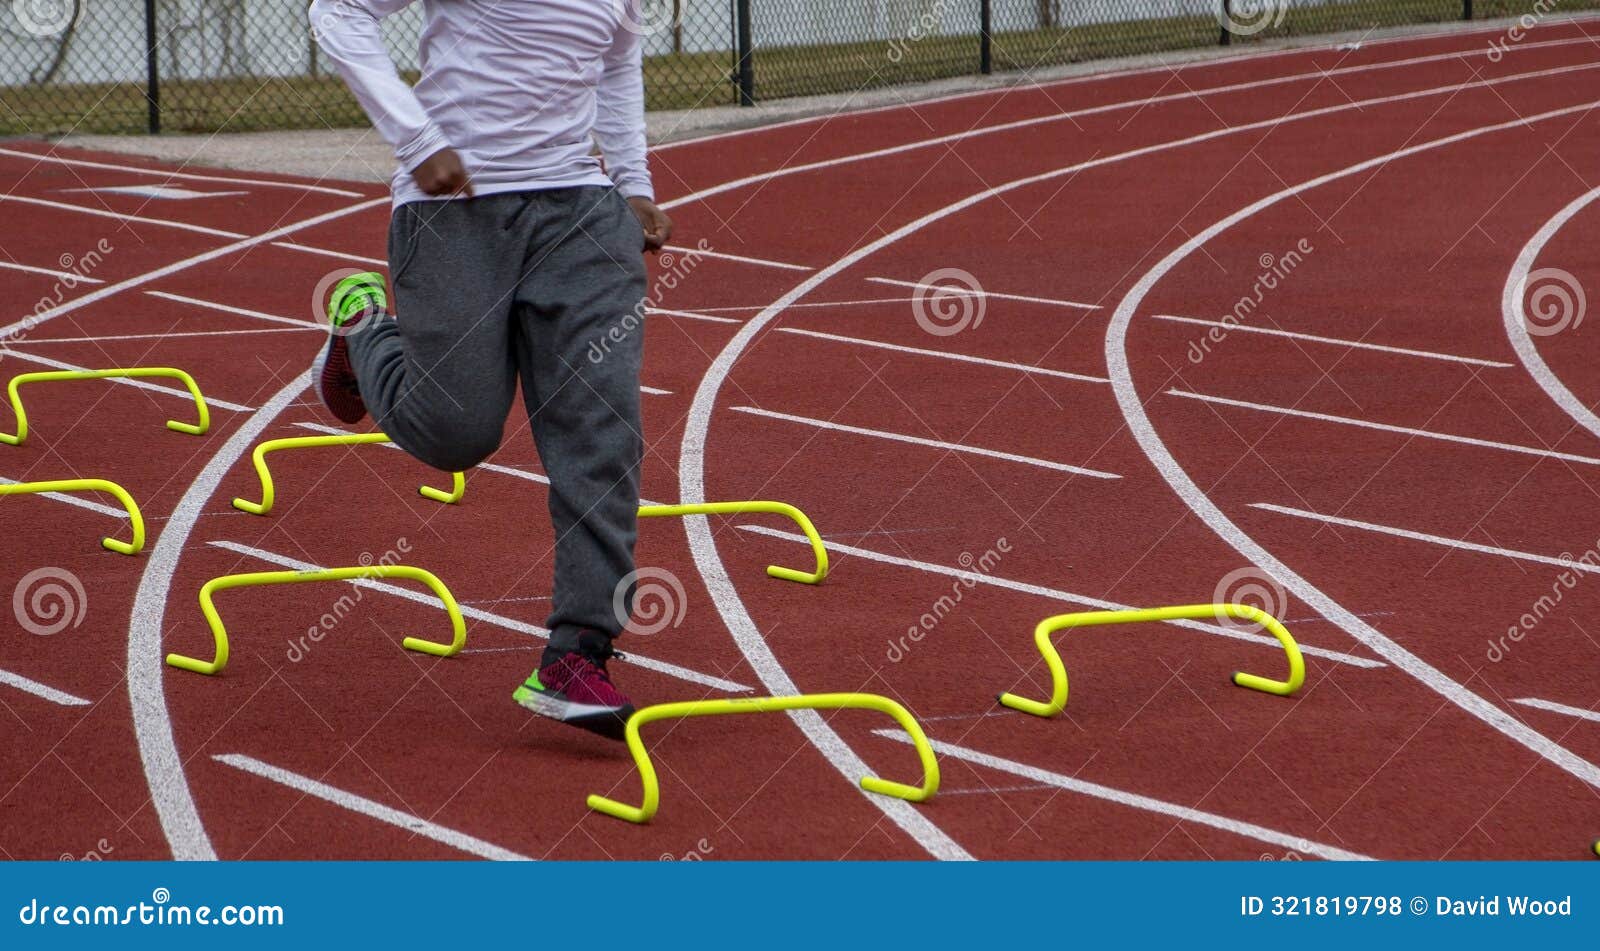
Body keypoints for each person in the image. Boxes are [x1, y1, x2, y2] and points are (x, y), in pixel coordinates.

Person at [308, 0, 673, 739]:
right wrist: (416, 139)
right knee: (456, 432)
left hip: (581, 211)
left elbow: (618, 57)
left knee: (601, 431)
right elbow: (338, 12)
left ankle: (578, 651)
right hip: (455, 205)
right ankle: (362, 328)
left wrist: (635, 183)